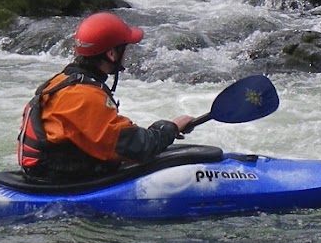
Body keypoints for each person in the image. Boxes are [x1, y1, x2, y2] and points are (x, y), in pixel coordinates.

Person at [16, 12, 197, 181]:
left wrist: (163, 131)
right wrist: (170, 128)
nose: (128, 53)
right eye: (125, 48)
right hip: (56, 179)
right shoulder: (82, 95)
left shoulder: (63, 81)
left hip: (52, 169)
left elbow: (112, 137)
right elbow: (137, 148)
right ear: (111, 54)